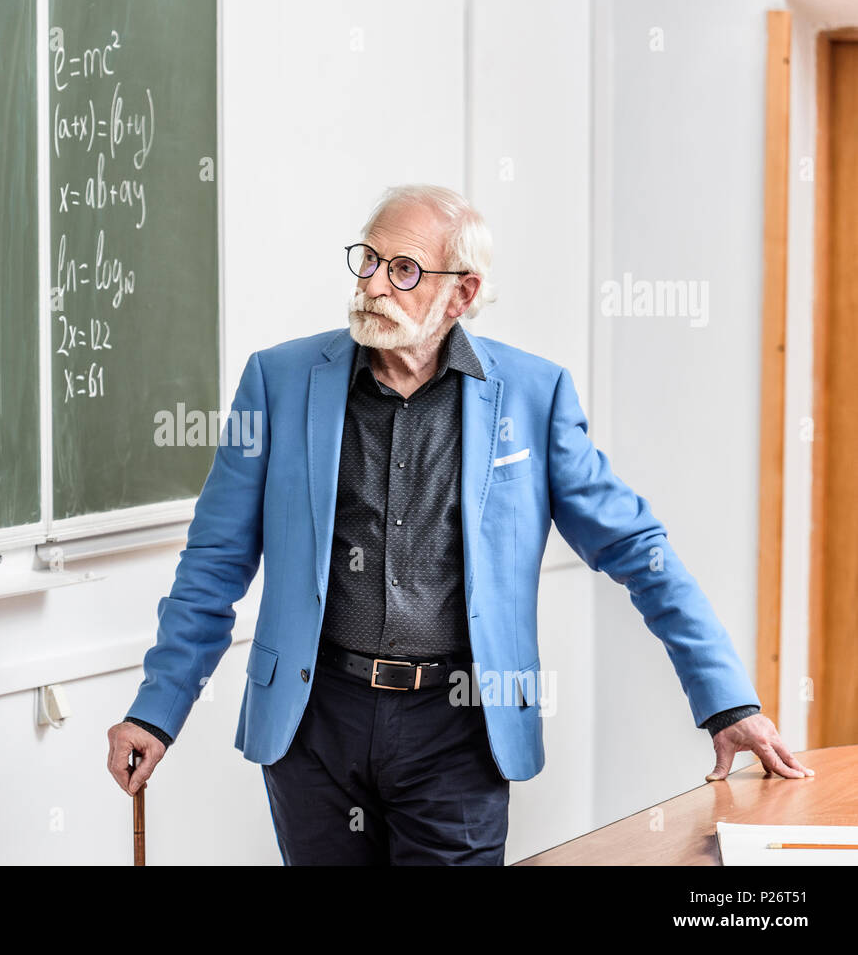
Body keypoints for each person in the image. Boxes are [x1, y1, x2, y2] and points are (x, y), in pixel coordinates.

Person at [105, 183, 812, 865]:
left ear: (462, 292)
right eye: (370, 260)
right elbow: (214, 560)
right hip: (315, 725)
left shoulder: (534, 394)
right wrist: (156, 709)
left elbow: (638, 550)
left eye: (404, 269)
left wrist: (727, 700)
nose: (375, 284)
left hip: (459, 730)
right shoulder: (280, 381)